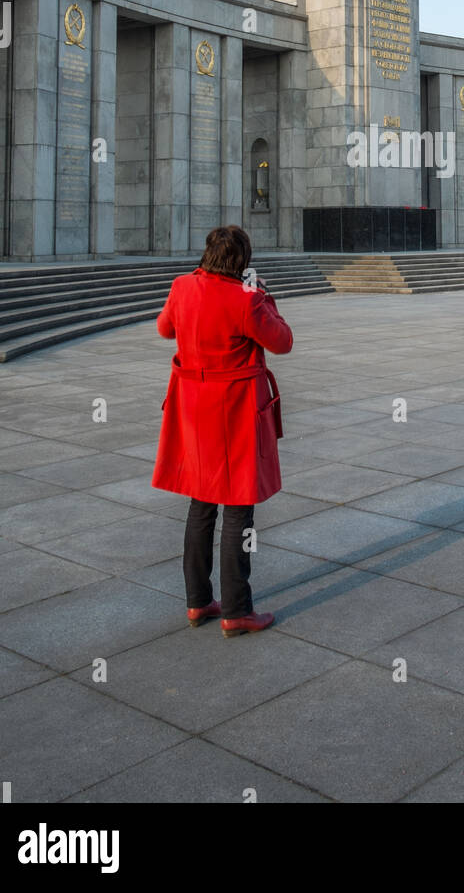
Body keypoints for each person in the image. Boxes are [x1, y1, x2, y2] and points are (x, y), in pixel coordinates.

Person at [152, 226, 293, 637]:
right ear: (243, 261)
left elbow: (165, 330)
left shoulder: (182, 286)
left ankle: (198, 602)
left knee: (202, 503)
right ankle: (236, 610)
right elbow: (282, 341)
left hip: (193, 409)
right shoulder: (247, 299)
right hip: (234, 411)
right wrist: (265, 297)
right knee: (238, 506)